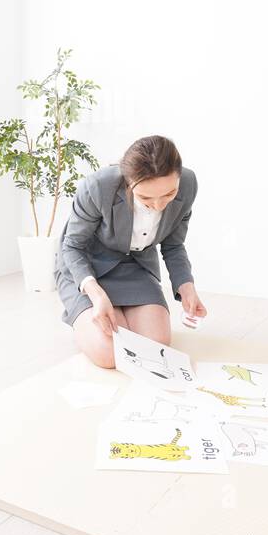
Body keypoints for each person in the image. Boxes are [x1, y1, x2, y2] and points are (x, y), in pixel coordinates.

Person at [54, 135, 207, 367]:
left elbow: (173, 245)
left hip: (135, 266)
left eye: (168, 195)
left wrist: (186, 287)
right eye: (146, 197)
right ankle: (82, 318)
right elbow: (73, 246)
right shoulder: (98, 187)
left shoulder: (188, 184)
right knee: (110, 354)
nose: (158, 206)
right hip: (89, 268)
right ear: (128, 182)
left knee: (155, 348)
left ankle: (108, 317)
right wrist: (95, 294)